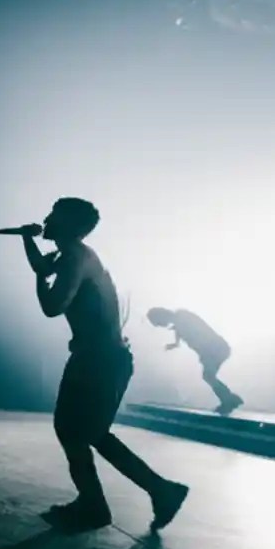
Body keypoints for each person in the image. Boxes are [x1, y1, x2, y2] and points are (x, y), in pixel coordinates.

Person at [14, 198, 188, 532]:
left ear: (69, 224)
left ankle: (135, 496)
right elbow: (44, 267)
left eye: (54, 216)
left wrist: (38, 277)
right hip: (96, 358)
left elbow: (52, 305)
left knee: (82, 432)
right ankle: (134, 495)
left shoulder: (76, 256)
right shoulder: (75, 255)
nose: (46, 219)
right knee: (78, 431)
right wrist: (27, 240)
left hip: (100, 360)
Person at [146, 307, 243, 415]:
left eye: (159, 323)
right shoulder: (179, 322)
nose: (161, 326)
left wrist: (205, 355)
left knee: (208, 376)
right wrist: (174, 344)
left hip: (216, 348)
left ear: (162, 316)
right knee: (208, 376)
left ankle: (229, 400)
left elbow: (199, 332)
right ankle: (229, 399)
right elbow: (179, 334)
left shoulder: (182, 318)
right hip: (214, 349)